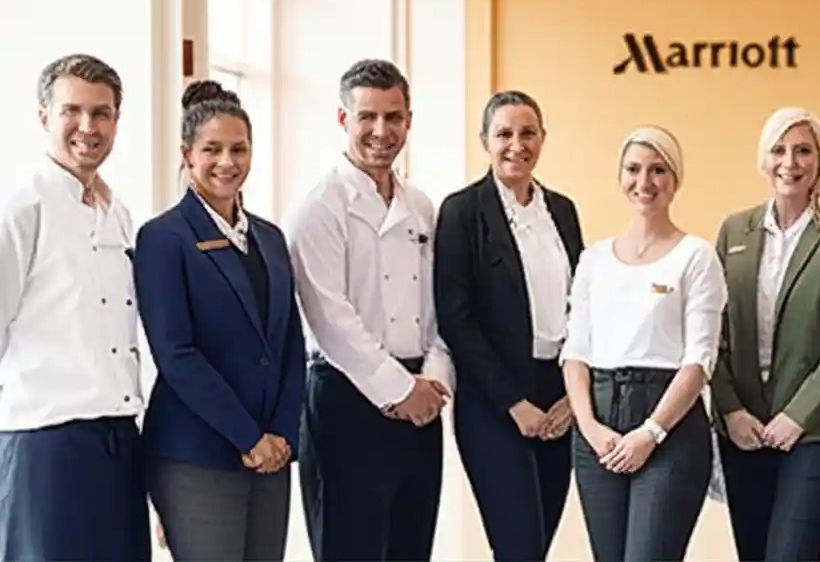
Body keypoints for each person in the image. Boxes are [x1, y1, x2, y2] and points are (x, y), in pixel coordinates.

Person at [286, 59, 454, 561]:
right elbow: (329, 317)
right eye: (368, 117)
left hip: (422, 403)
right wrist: (399, 391)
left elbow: (439, 304)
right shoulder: (318, 207)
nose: (382, 131)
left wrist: (434, 380)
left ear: (408, 120)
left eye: (394, 117)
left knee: (411, 548)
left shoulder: (421, 205)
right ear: (343, 119)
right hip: (346, 400)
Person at [134, 80, 305, 560]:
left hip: (271, 454)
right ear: (187, 155)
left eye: (238, 149)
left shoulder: (270, 239)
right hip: (198, 453)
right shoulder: (164, 238)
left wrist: (283, 436)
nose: (226, 162)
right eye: (212, 149)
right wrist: (248, 436)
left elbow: (290, 342)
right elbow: (175, 354)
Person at [709, 107, 820, 561]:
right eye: (779, 150)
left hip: (819, 428)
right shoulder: (733, 230)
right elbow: (713, 333)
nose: (791, 162)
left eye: (803, 150)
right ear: (763, 160)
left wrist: (798, 415)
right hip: (745, 427)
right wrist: (730, 411)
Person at [0, 54, 149, 560]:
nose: (88, 127)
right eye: (72, 111)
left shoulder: (118, 211)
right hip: (46, 446)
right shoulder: (21, 212)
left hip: (119, 439)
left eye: (101, 113)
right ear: (44, 116)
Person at [561, 126, 727, 562]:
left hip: (668, 426)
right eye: (634, 169)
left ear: (675, 180)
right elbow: (575, 352)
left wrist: (650, 433)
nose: (645, 182)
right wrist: (590, 428)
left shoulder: (696, 256)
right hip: (598, 424)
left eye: (658, 170)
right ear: (620, 177)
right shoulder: (593, 258)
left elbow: (699, 361)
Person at [434, 91, 584, 560]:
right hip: (493, 402)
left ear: (542, 139)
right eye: (504, 134)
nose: (516, 145)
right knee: (518, 547)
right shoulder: (461, 212)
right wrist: (513, 403)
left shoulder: (562, 210)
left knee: (538, 546)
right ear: (485, 140)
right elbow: (457, 319)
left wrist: (570, 397)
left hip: (557, 393)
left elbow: (582, 304)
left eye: (527, 133)